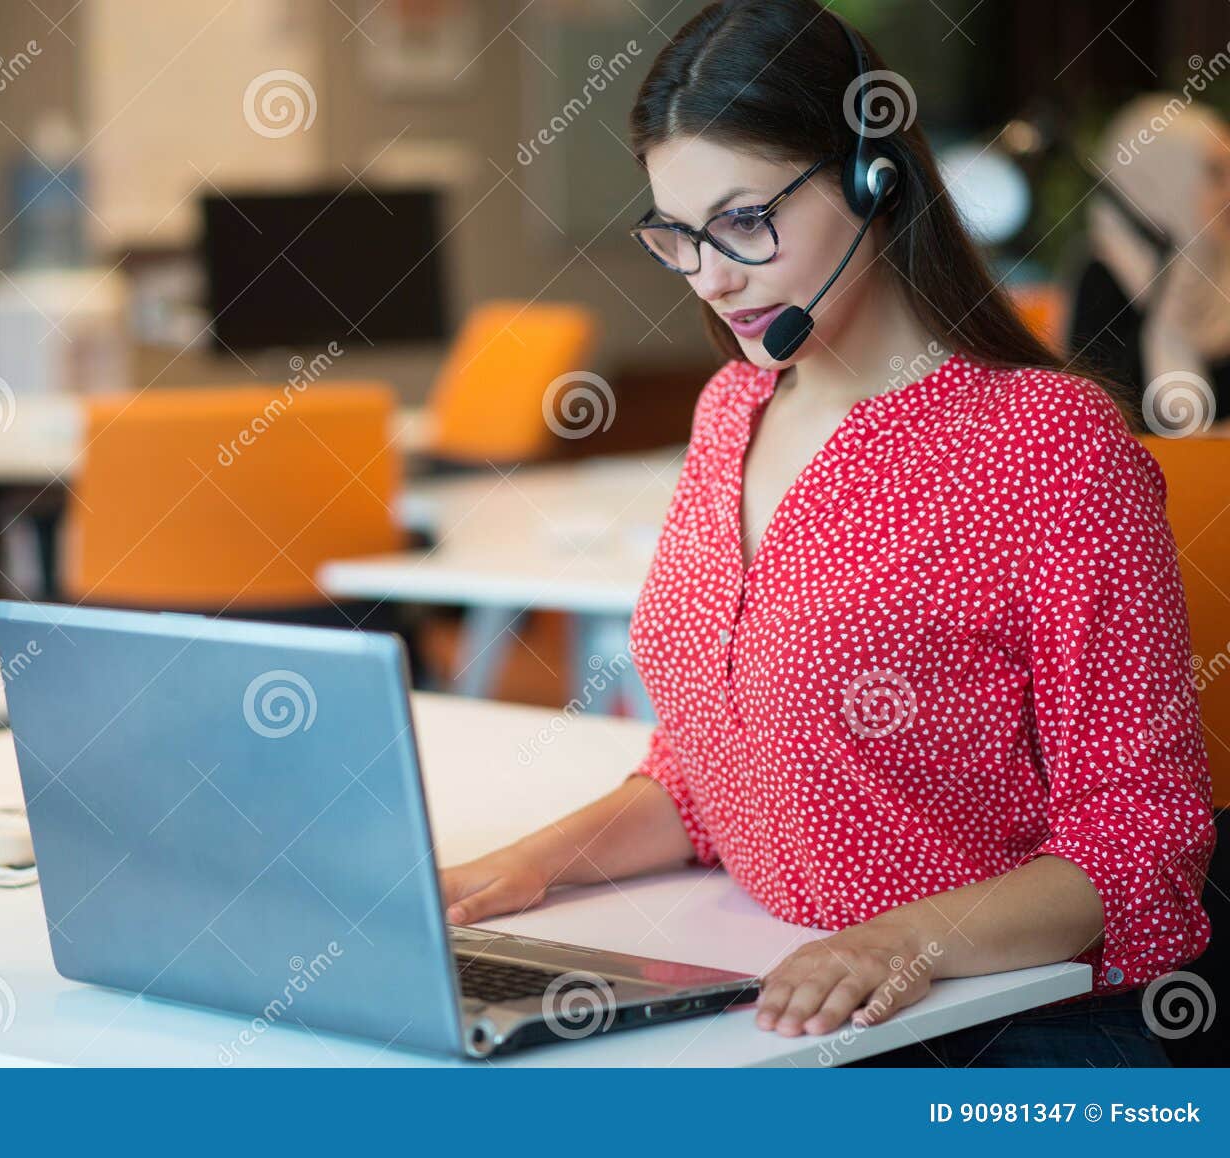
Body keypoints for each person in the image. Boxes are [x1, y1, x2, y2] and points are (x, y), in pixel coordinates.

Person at [439, 0, 1214, 1067]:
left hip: (996, 1028)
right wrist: (526, 866)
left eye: (744, 221)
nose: (709, 276)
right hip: (776, 1001)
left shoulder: (1048, 444)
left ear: (872, 179)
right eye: (678, 235)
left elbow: (1139, 845)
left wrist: (901, 943)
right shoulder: (731, 411)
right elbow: (710, 770)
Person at [1068, 94, 1230, 435]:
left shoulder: (1222, 270)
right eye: (1215, 174)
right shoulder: (1107, 278)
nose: (1227, 193)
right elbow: (1101, 427)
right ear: (1162, 178)